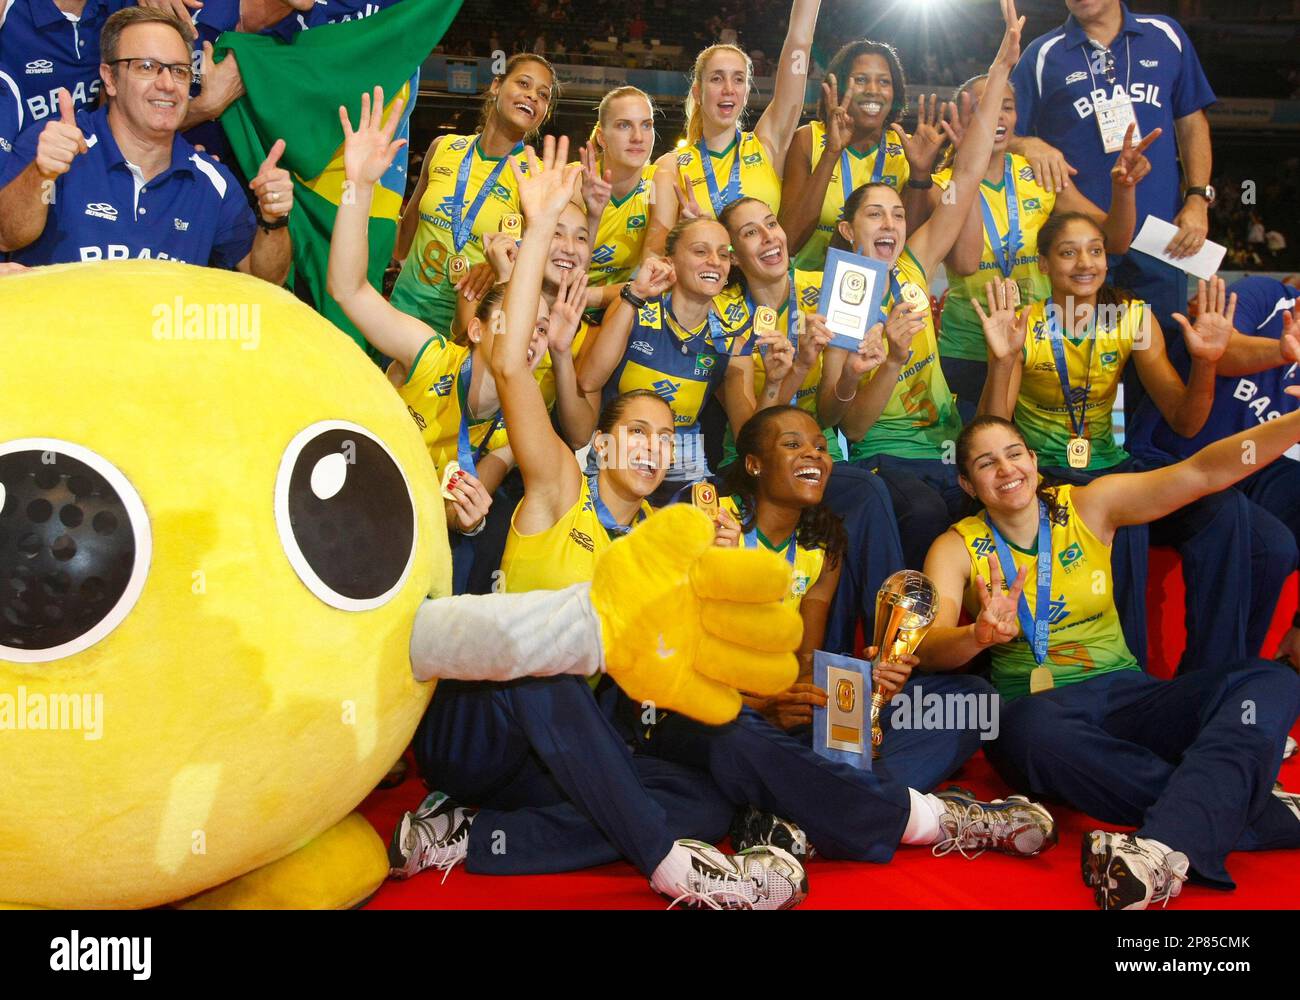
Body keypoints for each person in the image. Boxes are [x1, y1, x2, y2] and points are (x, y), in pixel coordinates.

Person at [398, 135, 810, 909]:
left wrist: (716, 582)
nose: (654, 449)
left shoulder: (663, 532)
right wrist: (537, 231)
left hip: (564, 742)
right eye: (638, 435)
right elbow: (515, 365)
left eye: (668, 438)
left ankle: (475, 839)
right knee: (546, 661)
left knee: (702, 803)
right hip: (483, 721)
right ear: (605, 440)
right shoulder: (559, 480)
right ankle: (673, 872)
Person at [919, 413, 1300, 910]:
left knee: (1270, 681)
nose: (1005, 469)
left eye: (1014, 454)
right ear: (968, 483)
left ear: (1034, 463)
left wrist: (1295, 423)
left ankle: (1167, 842)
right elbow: (929, 647)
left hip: (1128, 696)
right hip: (1042, 716)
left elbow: (1203, 472)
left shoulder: (1087, 504)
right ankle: (1249, 806)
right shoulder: (955, 546)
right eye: (986, 464)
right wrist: (977, 634)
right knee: (1021, 731)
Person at [977, 224, 1296, 676]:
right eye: (1069, 253)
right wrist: (1003, 360)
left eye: (1096, 250)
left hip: (1115, 466)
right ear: (1044, 265)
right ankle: (1130, 683)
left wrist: (1205, 363)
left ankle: (1209, 680)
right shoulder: (1022, 324)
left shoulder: (1132, 318)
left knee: (1226, 512)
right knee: (1123, 521)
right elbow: (994, 430)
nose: (1085, 263)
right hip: (1048, 474)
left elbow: (1185, 419)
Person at [816, 0, 1022, 571]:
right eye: (875, 215)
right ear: (846, 229)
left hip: (950, 450)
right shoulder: (848, 288)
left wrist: (1001, 66)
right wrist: (890, 360)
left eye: (896, 214)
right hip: (887, 459)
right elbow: (844, 422)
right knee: (934, 515)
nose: (890, 224)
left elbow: (968, 175)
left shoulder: (914, 258)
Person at [714, 405, 996, 801]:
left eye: (821, 446)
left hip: (782, 704)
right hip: (728, 711)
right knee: (731, 733)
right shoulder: (714, 523)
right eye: (793, 444)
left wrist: (867, 675)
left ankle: (831, 797)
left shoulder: (822, 543)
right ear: (754, 464)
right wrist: (761, 708)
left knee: (971, 698)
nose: (814, 454)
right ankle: (856, 798)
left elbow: (804, 660)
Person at [715, 195, 905, 653]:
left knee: (867, 507)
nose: (769, 238)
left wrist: (853, 376)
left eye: (772, 223)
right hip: (756, 471)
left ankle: (880, 653)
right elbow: (751, 438)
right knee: (863, 494)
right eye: (750, 233)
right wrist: (797, 367)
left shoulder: (832, 287)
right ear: (735, 257)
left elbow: (833, 415)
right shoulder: (723, 314)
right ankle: (879, 650)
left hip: (821, 462)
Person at [329, 87, 521, 539]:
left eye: (540, 327)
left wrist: (467, 519)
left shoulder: (511, 431)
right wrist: (357, 186)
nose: (527, 336)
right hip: (350, 506)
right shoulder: (429, 353)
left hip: (411, 539)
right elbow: (349, 288)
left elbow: (455, 517)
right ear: (474, 329)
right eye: (513, 323)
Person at [0, 7, 291, 282]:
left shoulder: (211, 182)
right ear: (110, 79)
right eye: (147, 67)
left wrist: (274, 220)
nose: (166, 83)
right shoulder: (54, 144)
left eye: (179, 71)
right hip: (59, 333)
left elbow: (264, 278)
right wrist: (41, 173)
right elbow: (6, 236)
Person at [935, 72, 1155, 423]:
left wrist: (1124, 189)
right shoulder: (942, 185)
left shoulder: (1039, 174)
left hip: (1038, 348)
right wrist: (967, 168)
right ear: (959, 117)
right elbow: (964, 264)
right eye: (984, 108)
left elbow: (1114, 239)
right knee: (973, 452)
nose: (997, 115)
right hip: (968, 348)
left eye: (1005, 107)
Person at [1009, 0, 1217, 349]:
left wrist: (1197, 197)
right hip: (1080, 251)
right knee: (1078, 366)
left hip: (1160, 243)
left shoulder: (1166, 35)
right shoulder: (1042, 54)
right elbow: (1001, 132)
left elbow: (1192, 122)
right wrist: (1028, 143)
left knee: (1158, 365)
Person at [1126, 274, 1300, 669]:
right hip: (1170, 461)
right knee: (1257, 535)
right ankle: (1208, 689)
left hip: (1250, 475)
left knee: (1279, 533)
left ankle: (1241, 682)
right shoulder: (1267, 295)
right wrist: (1282, 351)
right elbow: (1222, 352)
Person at [575, 215, 778, 504]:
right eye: (700, 251)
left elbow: (750, 439)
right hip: (617, 457)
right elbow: (588, 380)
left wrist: (774, 381)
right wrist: (633, 297)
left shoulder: (730, 339)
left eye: (723, 254)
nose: (714, 261)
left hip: (683, 467)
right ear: (671, 262)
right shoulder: (635, 306)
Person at [390, 52, 554, 334]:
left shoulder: (537, 177)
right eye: (523, 84)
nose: (533, 97)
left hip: (468, 330)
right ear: (495, 86)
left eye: (543, 94)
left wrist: (501, 268)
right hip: (403, 315)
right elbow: (404, 236)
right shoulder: (442, 147)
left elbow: (536, 265)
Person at [644, 0, 820, 254]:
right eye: (717, 78)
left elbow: (799, 41)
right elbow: (654, 256)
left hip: (762, 290)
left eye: (738, 79)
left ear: (747, 93)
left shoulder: (767, 146)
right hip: (706, 288)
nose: (728, 89)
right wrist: (682, 238)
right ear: (697, 92)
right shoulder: (671, 166)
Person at [779, 39, 947, 272]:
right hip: (809, 294)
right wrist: (831, 154)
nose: (873, 90)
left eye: (884, 82)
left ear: (895, 92)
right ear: (837, 84)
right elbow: (789, 241)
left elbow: (907, 248)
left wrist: (920, 174)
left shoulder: (906, 149)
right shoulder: (809, 139)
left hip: (880, 295)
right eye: (860, 80)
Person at [577, 86, 657, 312]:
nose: (638, 137)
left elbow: (652, 282)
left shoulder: (659, 182)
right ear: (602, 137)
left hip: (621, 304)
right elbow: (563, 281)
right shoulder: (575, 181)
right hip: (566, 305)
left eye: (646, 125)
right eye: (624, 125)